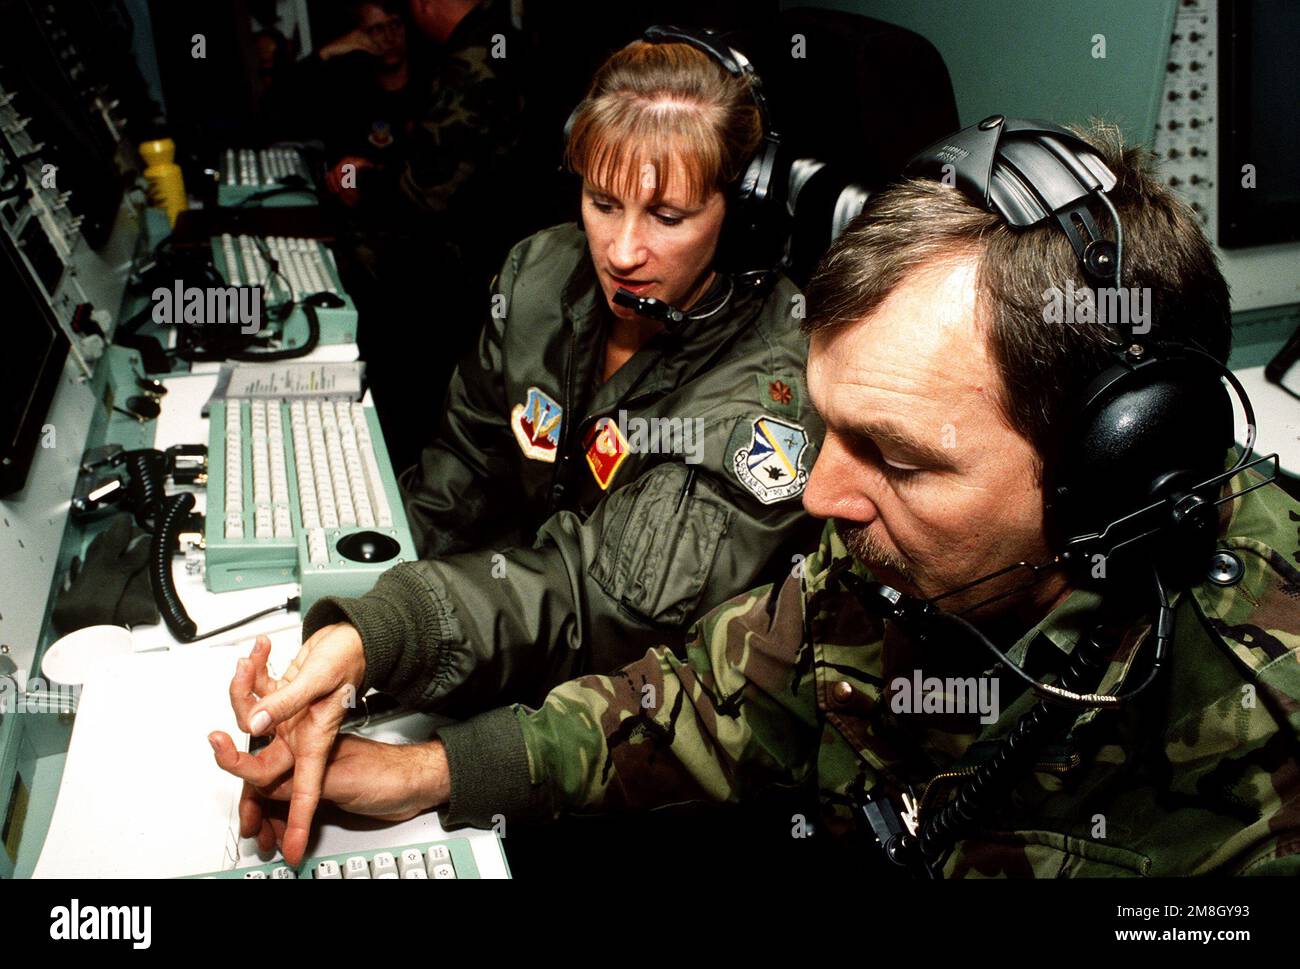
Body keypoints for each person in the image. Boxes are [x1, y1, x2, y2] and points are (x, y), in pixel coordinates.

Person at [213, 116, 1300, 876]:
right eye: (831, 428)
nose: (822, 493)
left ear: (1116, 468)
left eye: (898, 458)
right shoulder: (885, 558)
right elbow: (706, 696)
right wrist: (426, 772)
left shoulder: (1263, 750)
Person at [209, 32, 824, 867]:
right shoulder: (541, 276)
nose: (622, 250)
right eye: (604, 202)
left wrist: (389, 634)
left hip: (638, 750)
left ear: (742, 216)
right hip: (501, 663)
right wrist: (332, 654)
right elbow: (457, 475)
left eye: (668, 216)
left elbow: (594, 601)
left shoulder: (768, 400)